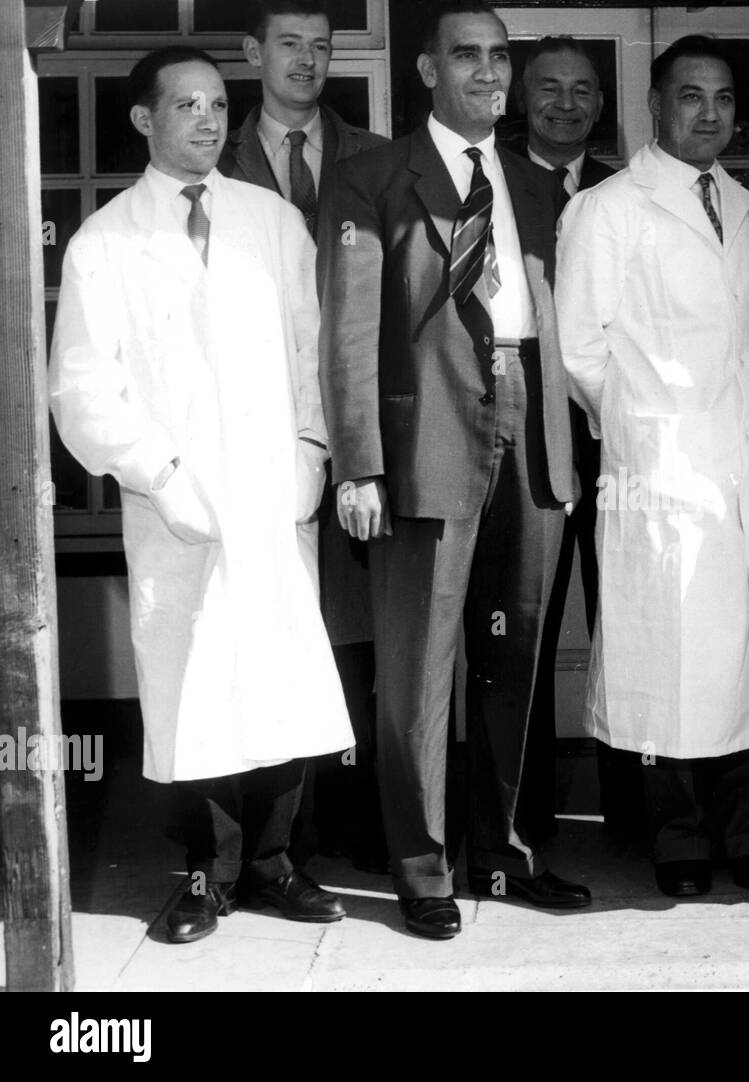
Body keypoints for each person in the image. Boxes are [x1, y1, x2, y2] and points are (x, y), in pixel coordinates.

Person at [49, 46, 354, 944]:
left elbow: (314, 348)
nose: (211, 120)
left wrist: (311, 449)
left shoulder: (273, 222)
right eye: (188, 105)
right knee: (191, 692)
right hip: (175, 503)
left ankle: (273, 866)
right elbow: (80, 389)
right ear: (145, 119)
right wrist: (159, 472)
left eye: (220, 104)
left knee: (282, 682)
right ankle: (200, 876)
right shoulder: (105, 241)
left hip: (271, 491)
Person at [316, 2, 591, 941]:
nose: (487, 72)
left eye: (499, 57)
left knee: (515, 660)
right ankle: (423, 865)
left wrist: (562, 439)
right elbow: (349, 333)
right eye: (465, 55)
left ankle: (503, 849)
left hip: (532, 430)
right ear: (427, 71)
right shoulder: (370, 179)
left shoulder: (533, 182)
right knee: (419, 667)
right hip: (424, 439)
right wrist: (359, 465)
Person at [556, 34, 749, 898]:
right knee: (668, 661)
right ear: (654, 107)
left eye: (724, 98)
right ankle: (677, 837)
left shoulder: (745, 205)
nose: (710, 113)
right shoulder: (609, 207)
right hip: (660, 464)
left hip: (743, 463)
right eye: (690, 96)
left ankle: (748, 832)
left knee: (746, 655)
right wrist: (645, 430)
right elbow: (581, 351)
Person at [219, 0, 390, 875]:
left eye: (322, 47)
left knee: (350, 633)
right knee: (253, 627)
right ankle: (249, 836)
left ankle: (348, 823)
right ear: (254, 52)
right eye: (288, 44)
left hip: (353, 425)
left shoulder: (374, 156)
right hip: (252, 425)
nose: (306, 62)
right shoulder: (219, 156)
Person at [504, 36, 646, 845]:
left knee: (627, 617)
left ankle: (634, 810)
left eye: (583, 89)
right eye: (549, 88)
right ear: (525, 97)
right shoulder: (496, 181)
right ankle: (525, 816)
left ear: (603, 103)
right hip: (527, 439)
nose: (566, 103)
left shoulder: (630, 191)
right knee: (527, 624)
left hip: (618, 441)